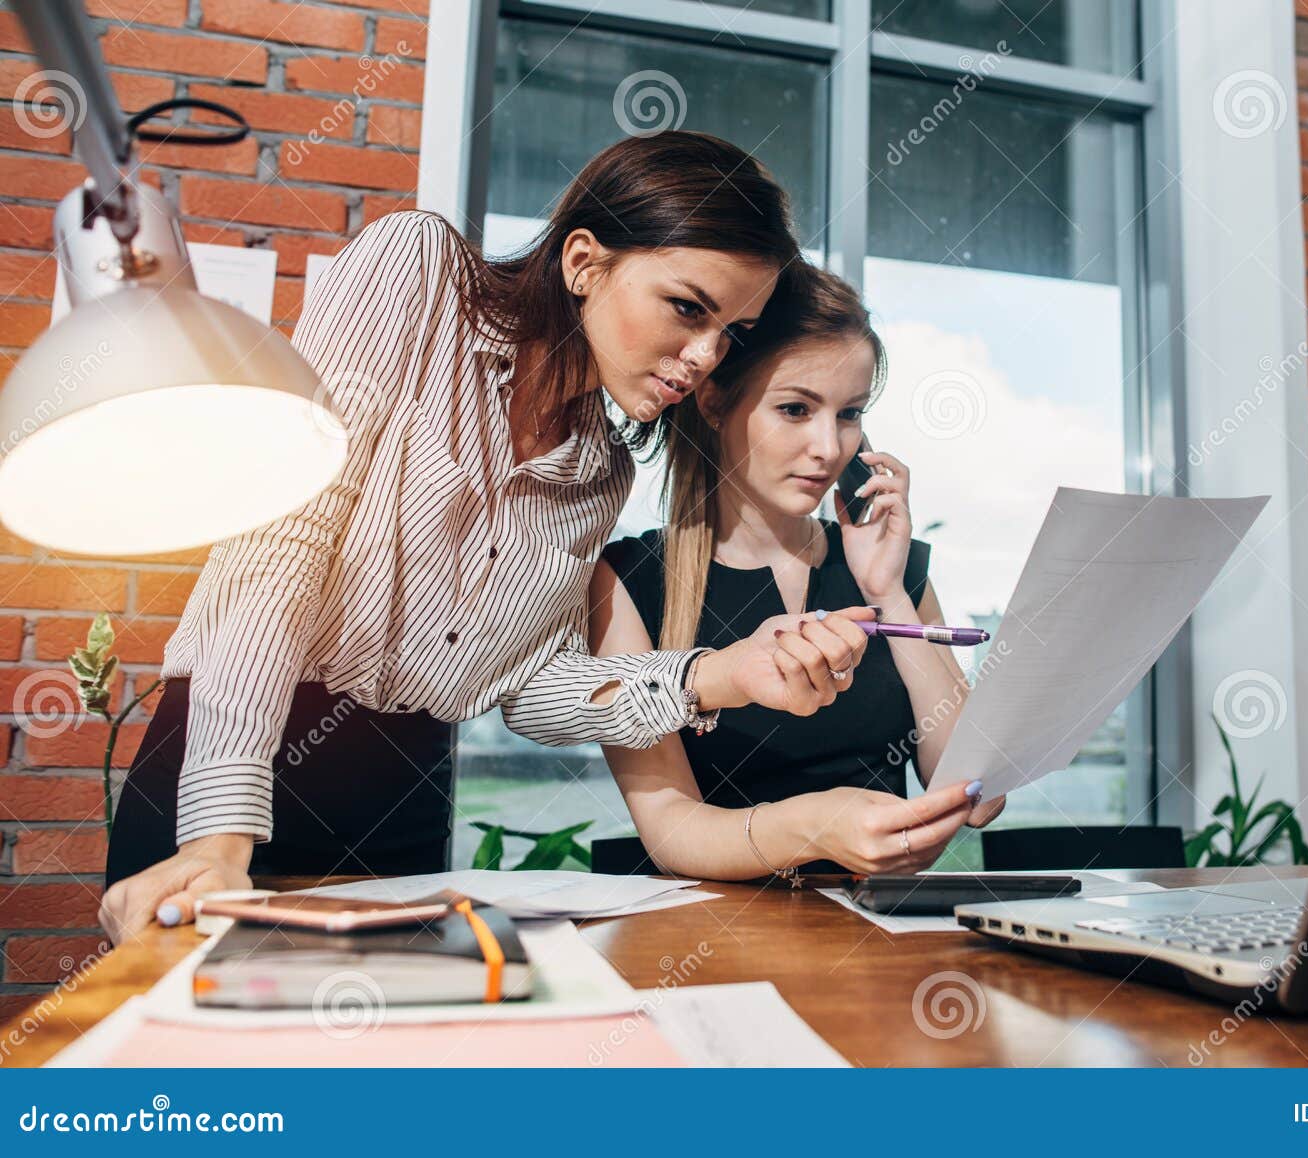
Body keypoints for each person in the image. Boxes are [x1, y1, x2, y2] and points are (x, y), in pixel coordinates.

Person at [100, 132, 877, 943]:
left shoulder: (600, 472)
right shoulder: (419, 273)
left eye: (733, 332)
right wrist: (220, 837)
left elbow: (529, 689)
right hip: (227, 756)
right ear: (584, 260)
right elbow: (280, 545)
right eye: (688, 308)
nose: (704, 356)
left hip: (401, 791)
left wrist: (720, 674)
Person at [589, 265, 1004, 881]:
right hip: (717, 934)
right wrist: (818, 825)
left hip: (879, 926)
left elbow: (980, 796)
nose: (828, 447)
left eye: (848, 414)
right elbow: (673, 830)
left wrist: (888, 589)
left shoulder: (894, 571)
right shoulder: (629, 581)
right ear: (714, 400)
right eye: (795, 408)